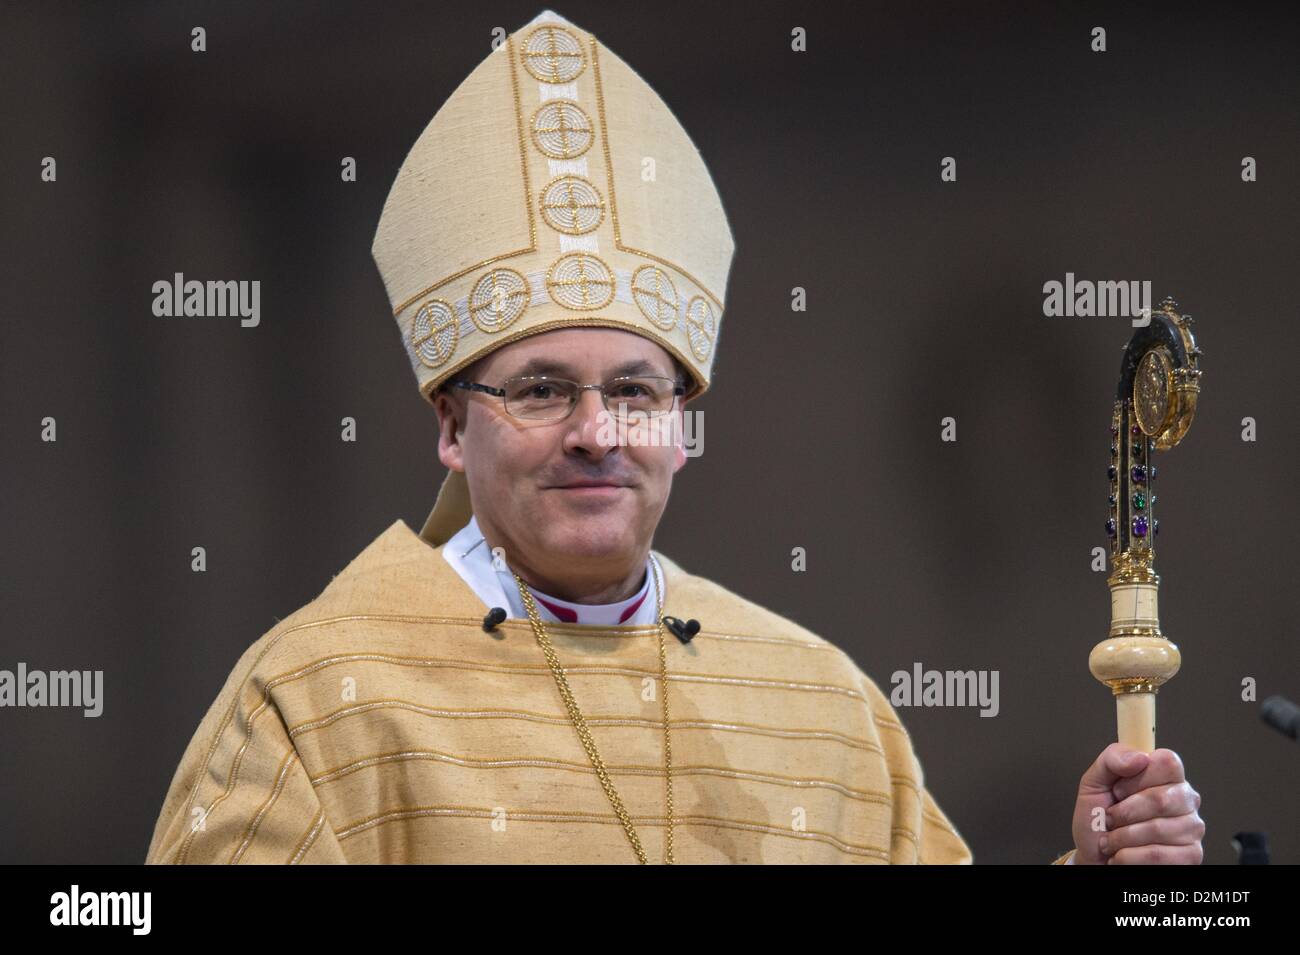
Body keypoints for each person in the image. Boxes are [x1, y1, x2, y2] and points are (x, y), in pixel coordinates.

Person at [145, 9, 1203, 864]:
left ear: (682, 425)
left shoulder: (818, 701)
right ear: (450, 426)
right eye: (543, 390)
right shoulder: (318, 702)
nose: (597, 432)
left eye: (638, 392)